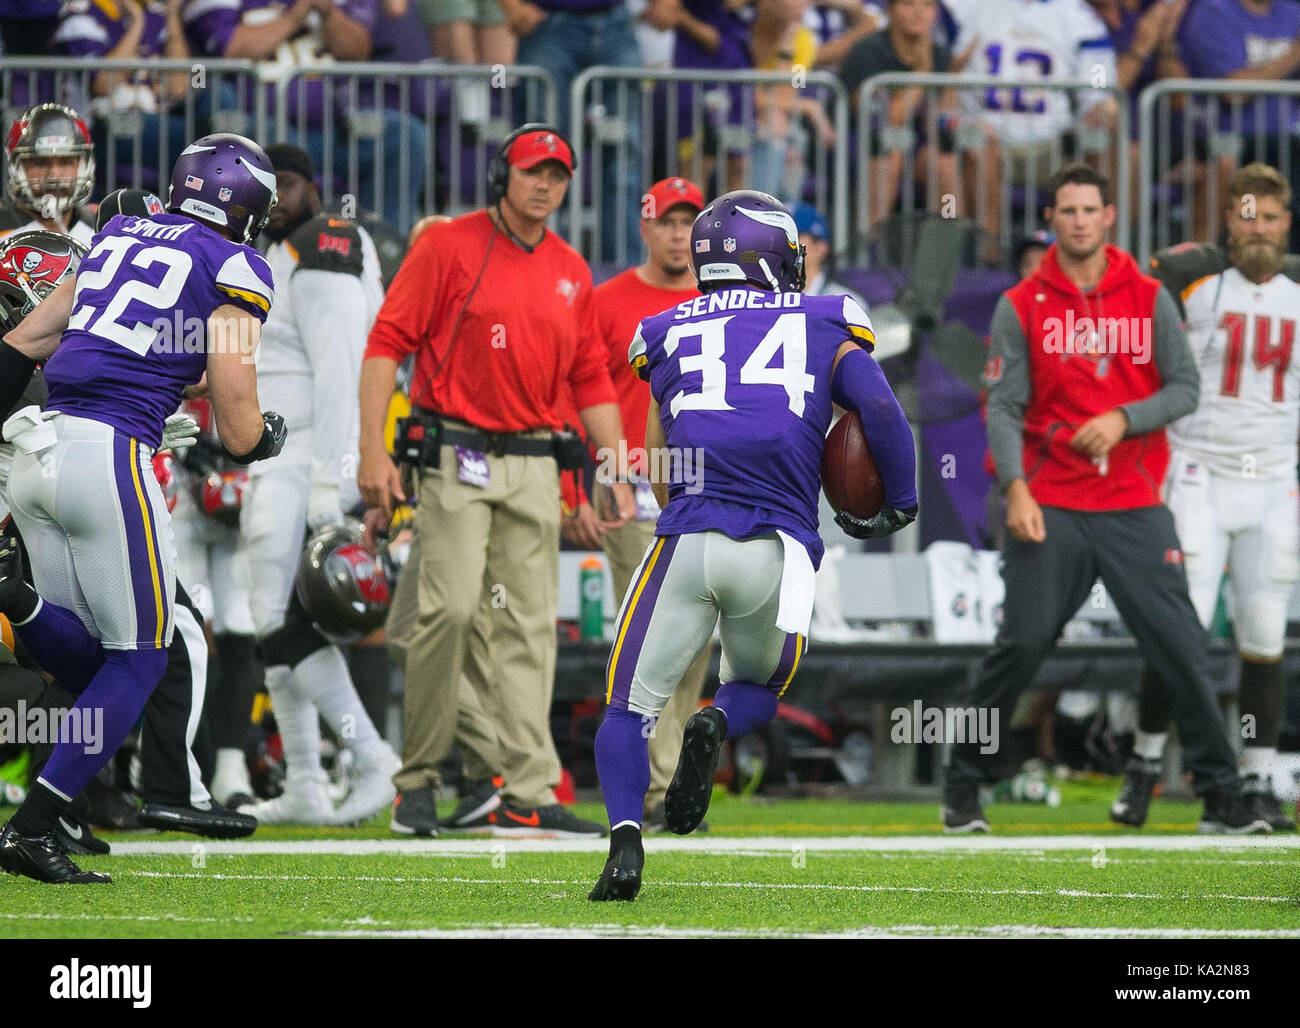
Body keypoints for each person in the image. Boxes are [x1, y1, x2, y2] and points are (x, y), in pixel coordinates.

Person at [589, 189, 918, 900]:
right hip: (780, 546)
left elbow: (656, 461)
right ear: (770, 253)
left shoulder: (664, 328)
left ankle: (623, 843)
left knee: (627, 710)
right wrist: (900, 502)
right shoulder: (826, 317)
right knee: (759, 686)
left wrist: (689, 508)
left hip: (689, 536)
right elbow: (882, 411)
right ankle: (714, 721)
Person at [941, 163, 1268, 835]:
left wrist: (1124, 419)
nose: (1080, 220)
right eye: (1067, 210)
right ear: (1054, 220)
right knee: (1022, 645)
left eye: (1091, 209)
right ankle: (963, 780)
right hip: (1051, 498)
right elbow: (1002, 408)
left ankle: (1222, 796)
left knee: (1181, 646)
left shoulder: (1148, 297)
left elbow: (1184, 390)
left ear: (1109, 216)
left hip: (1132, 499)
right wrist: (1016, 489)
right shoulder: (1022, 304)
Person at [0, 132, 285, 884]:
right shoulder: (236, 264)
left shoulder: (118, 230)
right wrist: (264, 440)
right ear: (243, 204)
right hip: (110, 458)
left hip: (37, 449)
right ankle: (33, 825)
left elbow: (31, 336)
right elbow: (236, 419)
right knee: (144, 656)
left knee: (85, 658)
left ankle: (11, 595)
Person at [359, 124, 636, 838]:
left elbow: (589, 376)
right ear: (501, 176)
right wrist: (371, 452)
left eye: (557, 175)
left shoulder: (573, 269)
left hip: (537, 462)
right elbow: (387, 343)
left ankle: (530, 789)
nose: (544, 186)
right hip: (457, 454)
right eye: (531, 172)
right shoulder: (447, 244)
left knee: (529, 628)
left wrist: (615, 466)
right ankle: (417, 778)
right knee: (446, 613)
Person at [1110, 163, 1300, 832]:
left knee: (1264, 635)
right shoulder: (1190, 276)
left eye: (1272, 217)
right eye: (1249, 215)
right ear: (1229, 219)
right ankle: (1144, 765)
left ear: (1286, 223)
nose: (1260, 229)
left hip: (1274, 479)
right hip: (1196, 472)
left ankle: (1255, 778)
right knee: (1179, 629)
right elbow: (1124, 301)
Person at [230, 143, 398, 827]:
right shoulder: (281, 252)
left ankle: (371, 758)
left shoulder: (320, 245)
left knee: (278, 620)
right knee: (278, 624)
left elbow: (341, 370)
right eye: (267, 187)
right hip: (285, 456)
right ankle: (304, 778)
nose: (277, 197)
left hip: (306, 459)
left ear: (314, 188)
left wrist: (333, 482)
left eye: (289, 183)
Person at [559, 175, 715, 831]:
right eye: (668, 223)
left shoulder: (720, 301)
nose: (679, 235)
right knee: (652, 641)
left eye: (690, 223)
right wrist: (581, 487)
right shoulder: (607, 299)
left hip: (702, 488)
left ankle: (668, 782)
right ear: (645, 227)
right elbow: (573, 391)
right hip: (632, 490)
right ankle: (657, 790)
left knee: (694, 646)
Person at [0, 104, 98, 243]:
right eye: (40, 163)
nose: (54, 176)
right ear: (17, 168)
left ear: (83, 166)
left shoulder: (102, 228)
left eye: (65, 162)